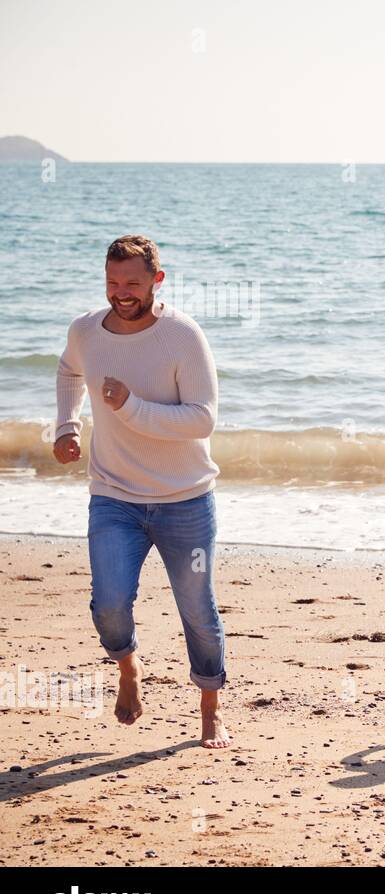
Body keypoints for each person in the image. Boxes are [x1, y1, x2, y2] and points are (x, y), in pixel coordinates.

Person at [52, 235, 231, 748]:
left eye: (132, 282)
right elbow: (68, 370)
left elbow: (202, 420)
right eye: (112, 282)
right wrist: (67, 426)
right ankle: (129, 668)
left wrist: (129, 406)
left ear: (158, 280)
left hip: (186, 502)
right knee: (108, 605)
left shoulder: (183, 336)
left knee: (197, 608)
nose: (121, 293)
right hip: (113, 496)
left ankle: (210, 705)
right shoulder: (86, 330)